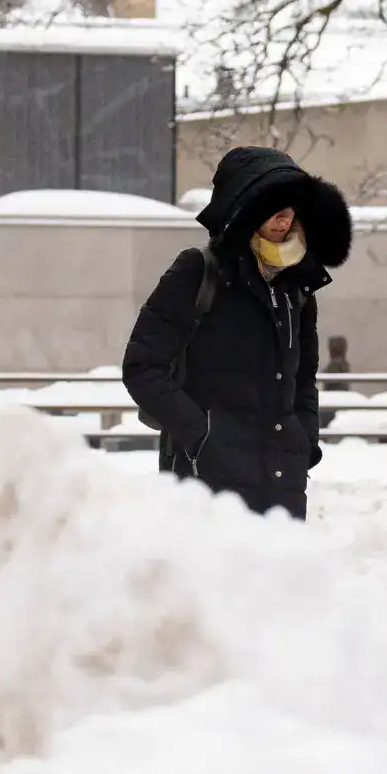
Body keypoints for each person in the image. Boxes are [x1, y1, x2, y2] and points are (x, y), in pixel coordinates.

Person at [123, 146, 352, 519]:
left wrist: (303, 442)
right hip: (208, 489)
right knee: (207, 579)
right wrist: (202, 437)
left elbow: (303, 378)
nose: (284, 218)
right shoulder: (198, 271)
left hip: (283, 488)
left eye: (292, 208)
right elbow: (142, 368)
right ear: (244, 207)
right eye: (273, 207)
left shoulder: (297, 286)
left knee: (278, 578)